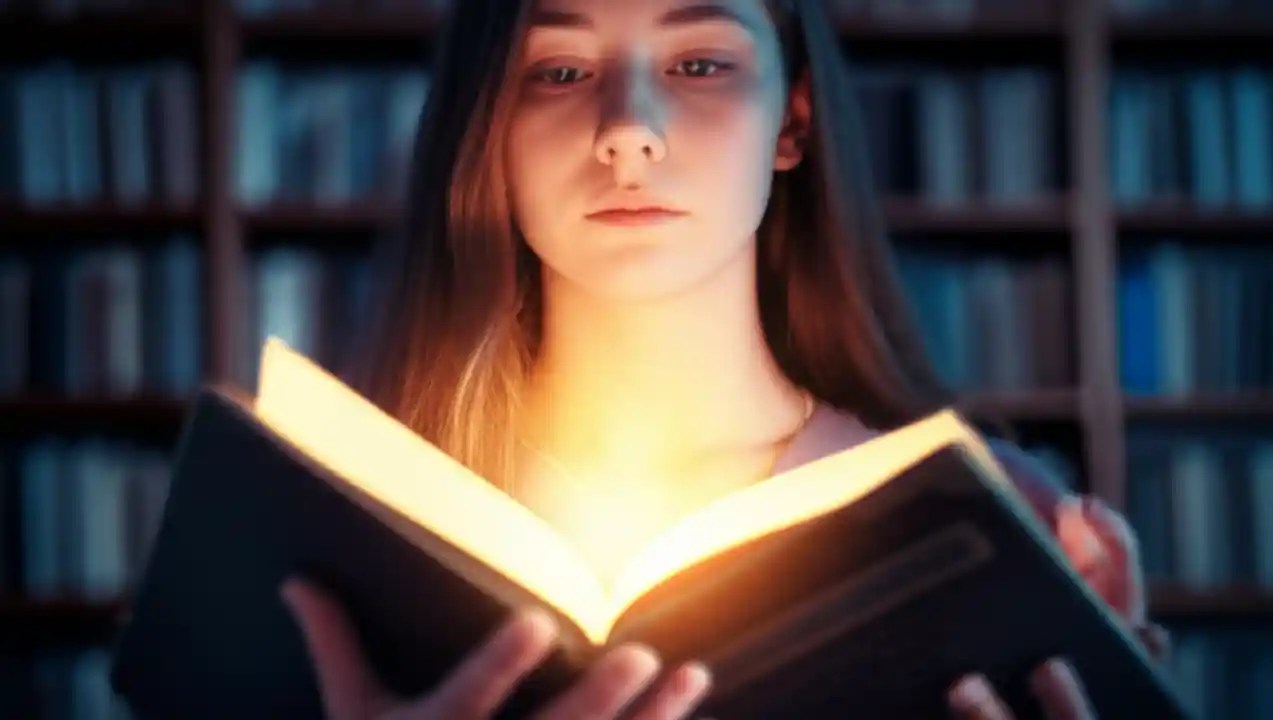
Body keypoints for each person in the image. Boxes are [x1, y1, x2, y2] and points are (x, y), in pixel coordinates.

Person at [277, 1, 1170, 718]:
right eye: (559, 71)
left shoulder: (992, 517)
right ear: (491, 133)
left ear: (794, 121)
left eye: (699, 63)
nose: (628, 131)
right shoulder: (368, 532)